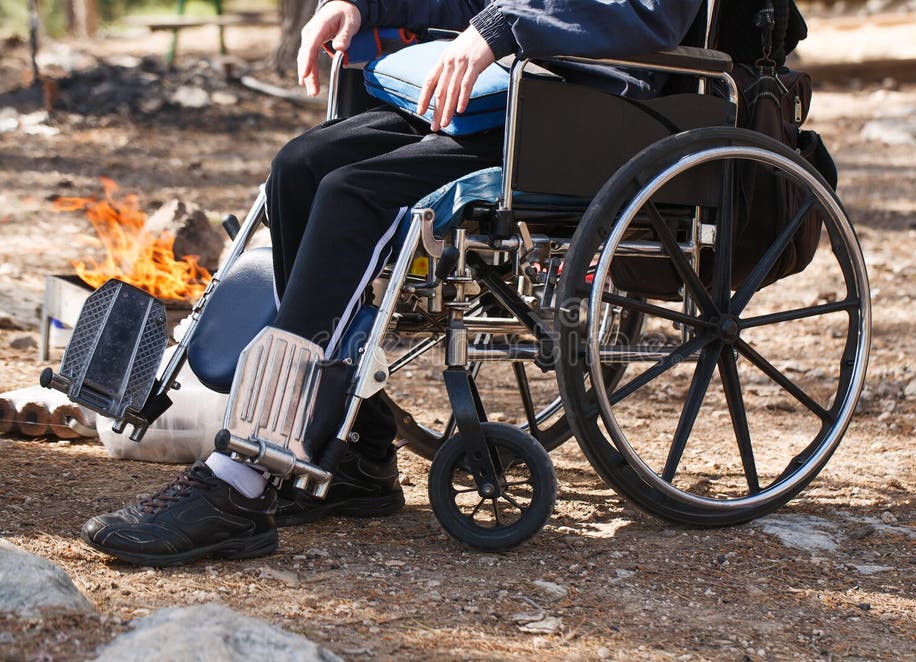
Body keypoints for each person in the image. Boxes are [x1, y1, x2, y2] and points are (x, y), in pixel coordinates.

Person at [81, 0, 705, 566]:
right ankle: (359, 447)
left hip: (589, 116)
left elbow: (649, 15)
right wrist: (362, 5)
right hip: (502, 94)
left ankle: (241, 478)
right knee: (297, 169)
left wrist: (498, 29)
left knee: (352, 198)